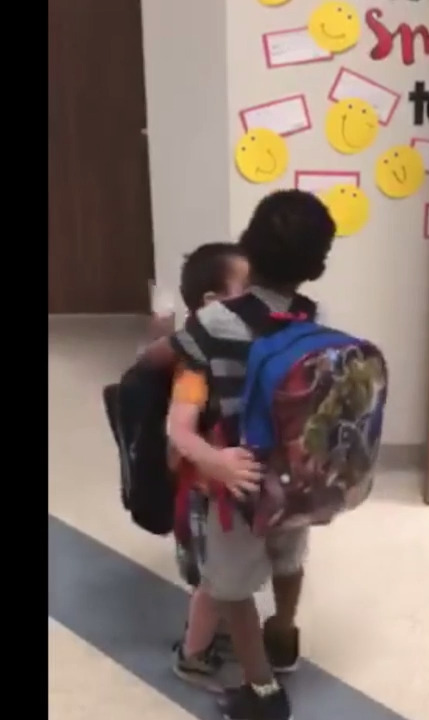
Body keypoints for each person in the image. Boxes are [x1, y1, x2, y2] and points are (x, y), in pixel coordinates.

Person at [168, 189, 335, 720]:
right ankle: (283, 635)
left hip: (235, 483)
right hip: (299, 475)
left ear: (249, 248)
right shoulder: (315, 316)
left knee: (232, 587)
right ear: (317, 265)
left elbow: (180, 426)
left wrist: (214, 462)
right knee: (289, 558)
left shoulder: (209, 325)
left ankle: (261, 690)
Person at [159, 242, 250, 691]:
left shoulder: (234, 352)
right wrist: (218, 464)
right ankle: (193, 656)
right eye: (247, 289)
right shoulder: (194, 369)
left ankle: (223, 636)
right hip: (202, 493)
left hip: (227, 494)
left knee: (231, 575)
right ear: (214, 306)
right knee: (213, 581)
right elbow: (179, 430)